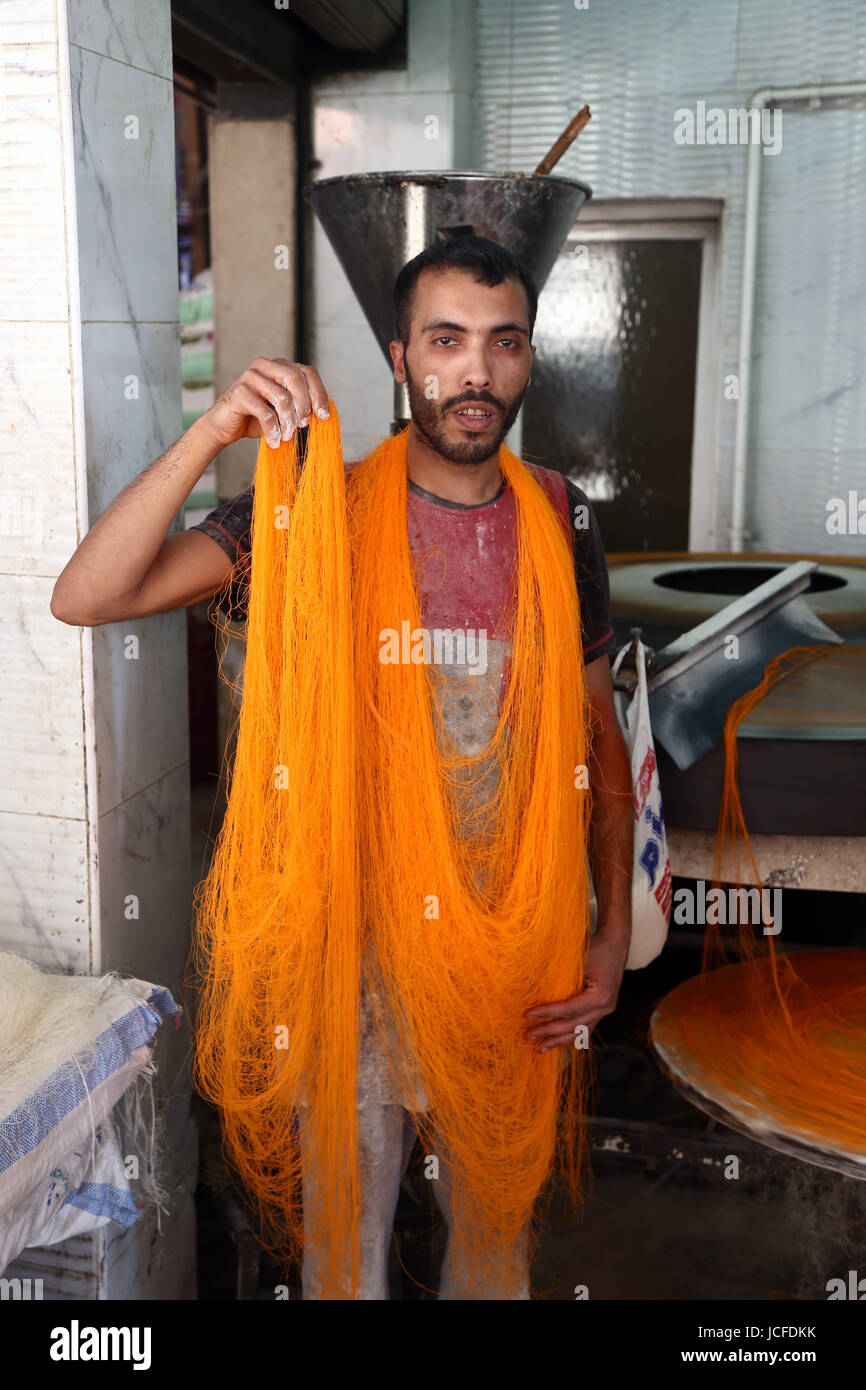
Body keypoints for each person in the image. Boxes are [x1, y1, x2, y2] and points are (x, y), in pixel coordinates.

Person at [51, 234, 633, 1299]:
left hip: (513, 952)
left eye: (503, 343)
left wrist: (611, 930)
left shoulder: (560, 516)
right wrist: (213, 429)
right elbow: (89, 593)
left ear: (527, 359)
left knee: (493, 1246)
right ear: (400, 353)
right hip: (350, 958)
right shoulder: (311, 513)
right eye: (446, 339)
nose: (475, 371)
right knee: (340, 1257)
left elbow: (598, 738)